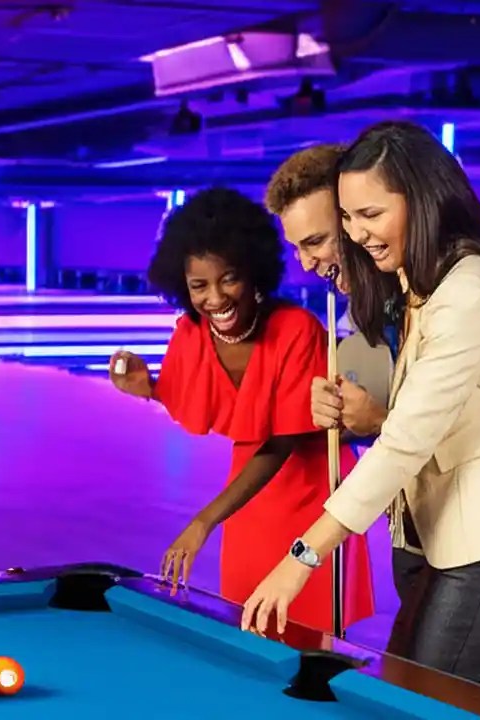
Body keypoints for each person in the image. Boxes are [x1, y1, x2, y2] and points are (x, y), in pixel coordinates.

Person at [242, 121, 480, 700]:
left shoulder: (468, 291)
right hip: (462, 540)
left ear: (420, 198)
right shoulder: (420, 286)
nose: (356, 234)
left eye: (369, 215)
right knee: (471, 708)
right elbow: (411, 421)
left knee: (421, 705)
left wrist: (302, 555)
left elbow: (405, 441)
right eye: (347, 220)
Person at [108, 188, 373, 635]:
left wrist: (203, 520)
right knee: (250, 628)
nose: (215, 298)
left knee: (308, 636)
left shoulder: (296, 329)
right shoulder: (191, 335)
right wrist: (146, 388)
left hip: (313, 498)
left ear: (253, 273)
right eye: (199, 286)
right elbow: (191, 399)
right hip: (248, 504)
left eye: (228, 279)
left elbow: (282, 441)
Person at [265, 142, 397, 437]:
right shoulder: (359, 312)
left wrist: (379, 423)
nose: (307, 265)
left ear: (354, 220)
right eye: (297, 248)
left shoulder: (442, 300)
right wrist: (339, 413)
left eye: (315, 242)